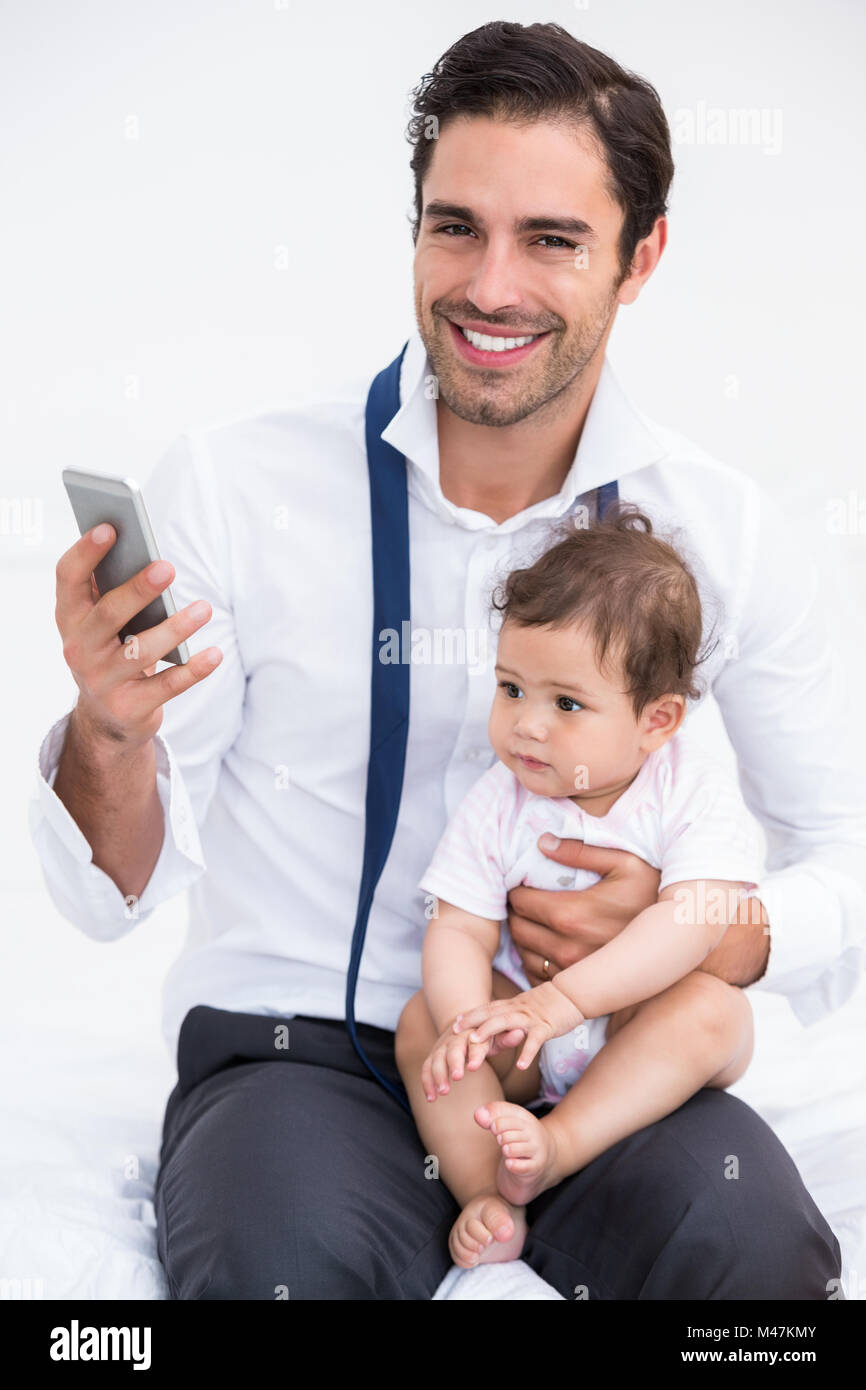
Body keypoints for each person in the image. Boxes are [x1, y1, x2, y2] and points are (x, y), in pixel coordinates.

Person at [29, 21, 862, 1299]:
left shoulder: (725, 531)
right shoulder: (237, 488)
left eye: (550, 240)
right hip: (298, 1054)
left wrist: (689, 936)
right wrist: (109, 732)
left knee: (754, 1258)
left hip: (595, 1052)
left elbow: (842, 855)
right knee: (276, 1270)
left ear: (639, 257)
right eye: (454, 225)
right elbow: (111, 895)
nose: (489, 286)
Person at [396, 505, 767, 1269]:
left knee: (713, 1010)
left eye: (566, 703)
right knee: (418, 1025)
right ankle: (487, 1191)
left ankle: (559, 1145)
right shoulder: (500, 799)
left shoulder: (689, 785)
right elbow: (461, 925)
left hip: (638, 1036)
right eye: (510, 689)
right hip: (525, 1043)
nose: (526, 727)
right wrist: (469, 1021)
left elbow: (692, 921)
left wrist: (563, 1003)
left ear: (657, 721)